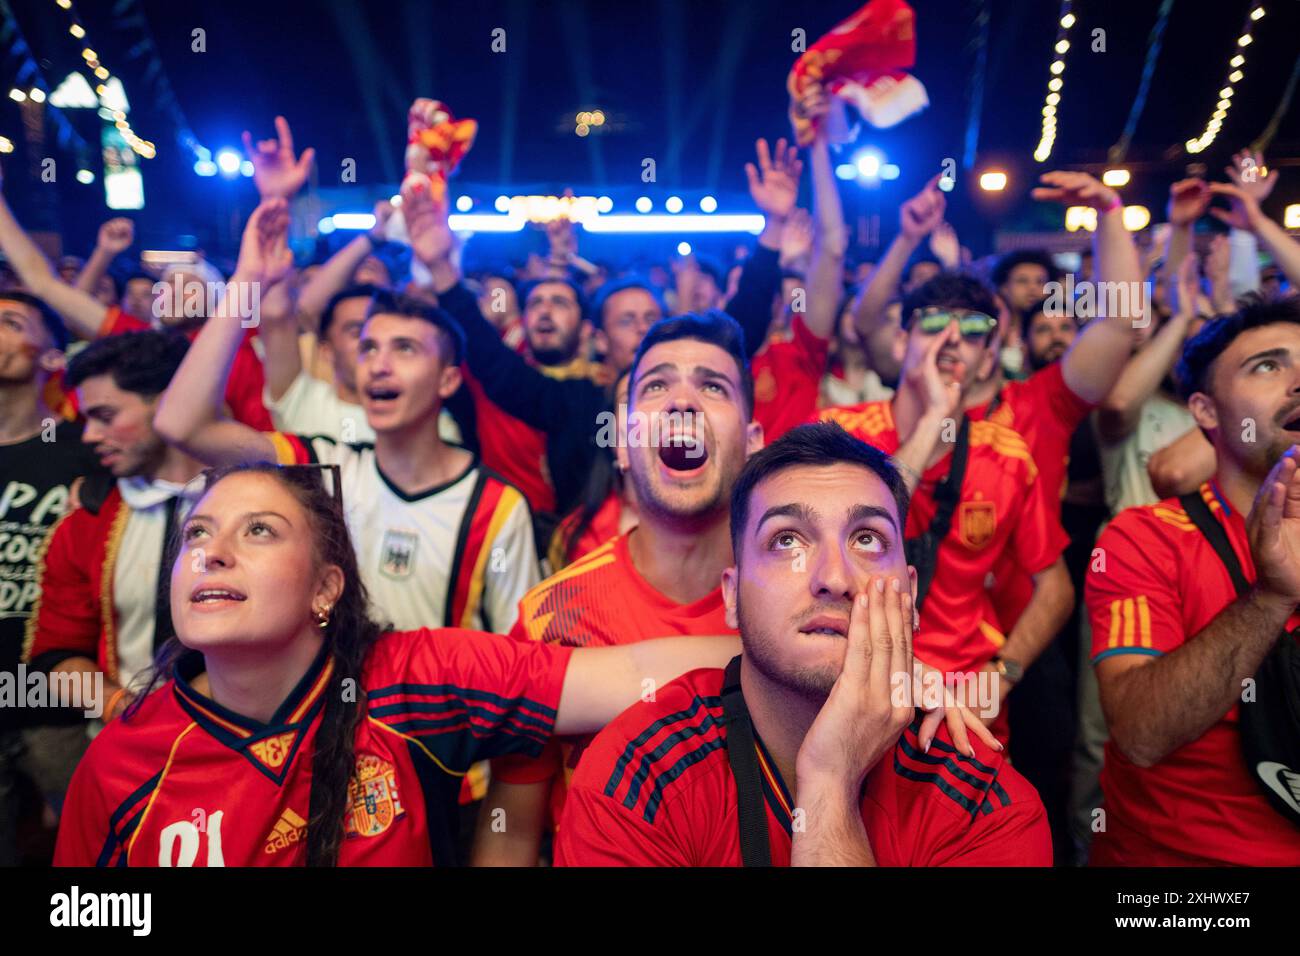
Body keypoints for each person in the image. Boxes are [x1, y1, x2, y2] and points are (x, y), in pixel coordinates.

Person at [52, 462, 744, 866]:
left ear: (326, 587)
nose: (211, 552)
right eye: (196, 535)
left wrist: (813, 646)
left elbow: (634, 677)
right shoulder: (123, 763)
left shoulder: (415, 679)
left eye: (258, 530)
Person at [555, 424, 1048, 866]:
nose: (834, 578)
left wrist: (830, 784)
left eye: (868, 540)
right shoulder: (640, 775)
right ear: (732, 595)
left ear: (910, 592)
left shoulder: (985, 807)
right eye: (787, 540)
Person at [154, 199, 538, 635]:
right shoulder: (325, 468)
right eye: (369, 347)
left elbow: (521, 659)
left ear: (448, 381)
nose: (378, 364)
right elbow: (181, 425)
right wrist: (246, 280)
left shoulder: (497, 506)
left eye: (405, 349)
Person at [472, 311, 764, 866]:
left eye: (712, 385)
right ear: (623, 445)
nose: (683, 401)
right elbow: (511, 831)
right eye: (656, 386)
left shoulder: (801, 604)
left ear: (752, 442)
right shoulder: (551, 616)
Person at [1085, 297, 1300, 865]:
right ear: (1204, 411)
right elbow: (1140, 733)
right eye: (1268, 366)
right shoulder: (1144, 539)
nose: (1298, 382)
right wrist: (1270, 598)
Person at [821, 272, 1074, 736]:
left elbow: (1056, 587)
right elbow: (862, 522)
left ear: (987, 362)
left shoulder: (1007, 457)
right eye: (934, 324)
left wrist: (1004, 673)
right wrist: (935, 417)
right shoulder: (838, 433)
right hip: (848, 687)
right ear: (901, 344)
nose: (953, 339)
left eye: (974, 330)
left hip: (964, 698)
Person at [0, 167, 272, 431]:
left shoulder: (240, 351)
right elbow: (45, 284)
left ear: (216, 300)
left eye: (188, 288)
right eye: (165, 287)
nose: (171, 292)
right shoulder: (141, 340)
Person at [24, 331, 206, 705]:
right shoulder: (87, 520)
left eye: (105, 417)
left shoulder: (262, 503)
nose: (89, 435)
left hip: (250, 746)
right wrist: (122, 709)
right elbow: (57, 652)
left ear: (172, 403)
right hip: (125, 746)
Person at [0, 290, 98, 865]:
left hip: (58, 696)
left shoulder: (82, 449)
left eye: (10, 323)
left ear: (51, 358)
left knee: (90, 850)